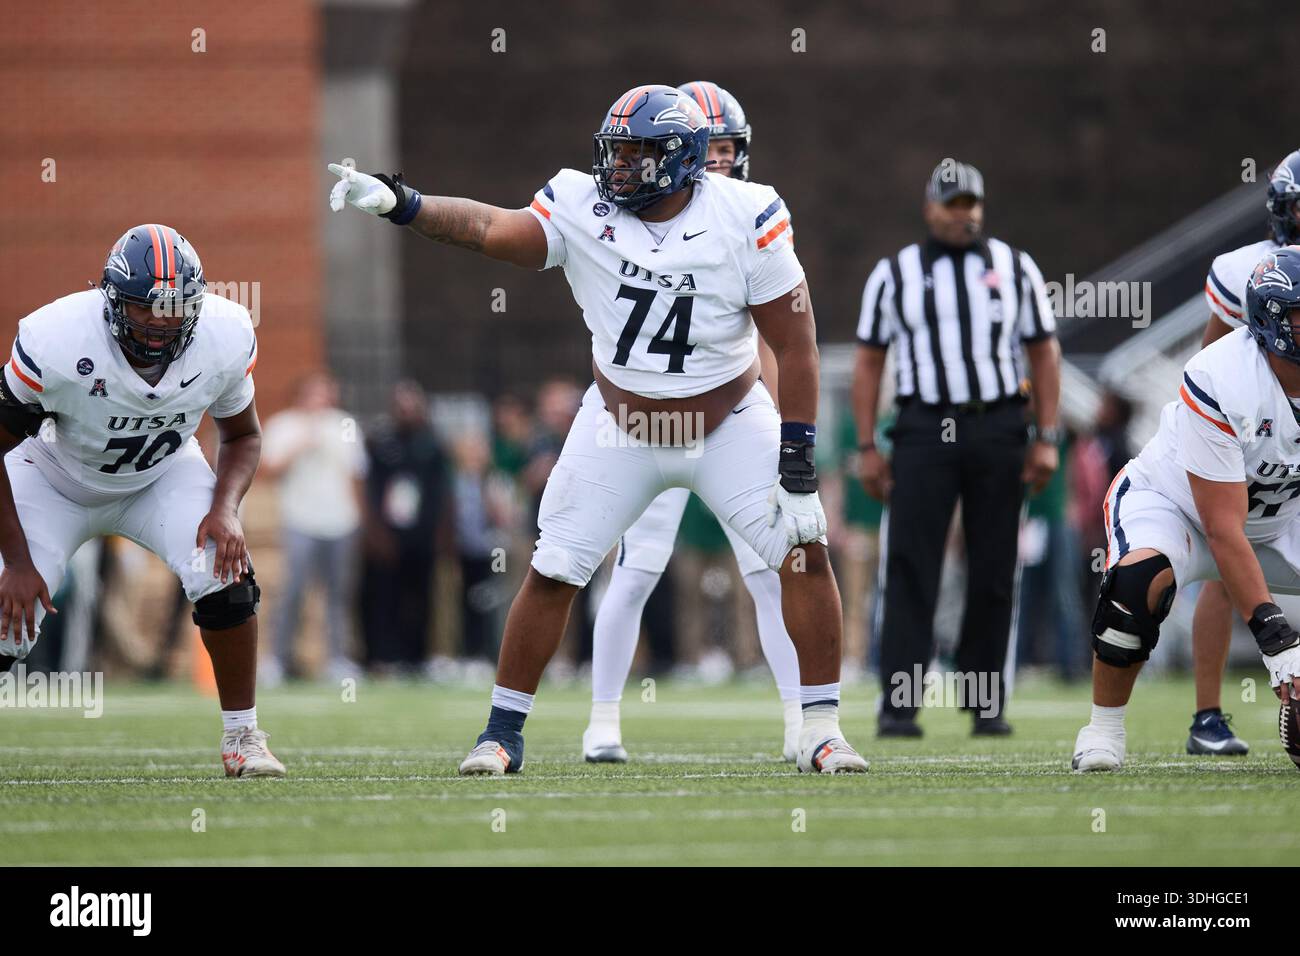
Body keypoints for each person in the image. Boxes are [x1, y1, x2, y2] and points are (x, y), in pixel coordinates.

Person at [329, 83, 868, 775]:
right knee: (554, 567)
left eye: (636, 155)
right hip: (621, 423)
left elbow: (796, 344)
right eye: (614, 152)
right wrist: (406, 204)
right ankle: (501, 733)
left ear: (681, 159)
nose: (616, 168)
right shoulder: (581, 203)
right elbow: (493, 230)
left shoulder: (747, 213)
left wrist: (797, 460)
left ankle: (821, 729)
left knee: (804, 548)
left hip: (728, 419)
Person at [0, 224, 282, 777]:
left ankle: (243, 736)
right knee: (9, 614)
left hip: (160, 476)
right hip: (53, 475)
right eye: (143, 306)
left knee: (225, 574)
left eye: (174, 306)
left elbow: (243, 435)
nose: (159, 320)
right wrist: (17, 562)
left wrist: (224, 509)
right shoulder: (57, 337)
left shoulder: (224, 334)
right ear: (111, 300)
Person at [582, 81, 802, 765]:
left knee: (775, 567)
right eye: (711, 150)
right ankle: (603, 720)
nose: (718, 164)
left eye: (728, 150)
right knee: (637, 567)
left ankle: (805, 723)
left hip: (729, 412)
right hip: (649, 415)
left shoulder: (751, 211)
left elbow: (783, 328)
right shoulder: (641, 212)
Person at [854, 160, 1061, 737]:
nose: (961, 214)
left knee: (995, 567)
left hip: (998, 425)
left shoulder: (1014, 266)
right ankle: (899, 703)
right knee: (911, 564)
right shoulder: (894, 273)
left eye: (970, 203)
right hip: (923, 427)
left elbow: (1044, 353)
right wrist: (868, 446)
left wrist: (1045, 436)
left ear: (982, 208)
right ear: (929, 208)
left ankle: (985, 702)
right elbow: (870, 361)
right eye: (951, 203)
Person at [1073, 247, 1300, 771]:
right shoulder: (1224, 376)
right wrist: (1277, 642)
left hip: (1279, 519)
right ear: (1271, 321)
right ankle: (1103, 728)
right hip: (1178, 509)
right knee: (1138, 583)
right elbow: (1223, 529)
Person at [1176, 148, 1300, 756]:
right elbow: (1210, 359)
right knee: (1229, 561)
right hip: (1255, 435)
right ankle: (1208, 715)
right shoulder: (1245, 269)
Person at [260, 371, 365, 682]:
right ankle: (277, 659)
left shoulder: (344, 424)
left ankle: (339, 659)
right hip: (300, 520)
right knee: (292, 590)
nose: (323, 399)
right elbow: (268, 470)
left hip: (341, 521)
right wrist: (300, 445)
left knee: (338, 593)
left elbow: (355, 473)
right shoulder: (283, 425)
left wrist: (358, 517)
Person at [360, 379, 447, 674]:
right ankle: (383, 656)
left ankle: (417, 657)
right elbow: (369, 489)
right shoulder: (381, 444)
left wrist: (440, 532)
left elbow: (441, 493)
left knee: (421, 597)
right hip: (388, 533)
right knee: (384, 595)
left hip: (421, 534)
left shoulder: (432, 445)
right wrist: (375, 530)